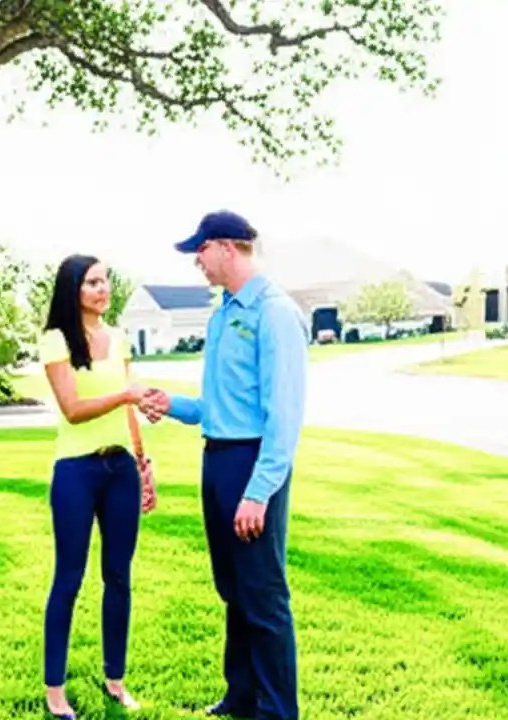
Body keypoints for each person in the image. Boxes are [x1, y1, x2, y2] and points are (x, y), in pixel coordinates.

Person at [141, 211, 308, 720]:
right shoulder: (222, 314)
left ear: (227, 248)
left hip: (251, 465)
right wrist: (171, 404)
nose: (197, 260)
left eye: (201, 249)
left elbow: (284, 413)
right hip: (217, 461)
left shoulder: (273, 312)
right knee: (233, 588)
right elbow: (218, 408)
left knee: (263, 595)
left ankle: (278, 710)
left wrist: (259, 492)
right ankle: (241, 695)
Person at [38, 254, 159, 719]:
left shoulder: (120, 337)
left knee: (119, 577)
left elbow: (130, 411)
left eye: (105, 281)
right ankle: (55, 691)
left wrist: (143, 461)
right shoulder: (56, 340)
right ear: (73, 289)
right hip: (75, 472)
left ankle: (115, 679)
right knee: (68, 579)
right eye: (92, 282)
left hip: (120, 472)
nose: (102, 289)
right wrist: (127, 393)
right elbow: (73, 408)